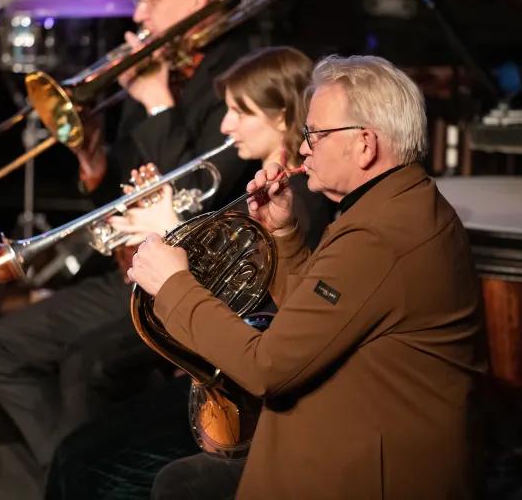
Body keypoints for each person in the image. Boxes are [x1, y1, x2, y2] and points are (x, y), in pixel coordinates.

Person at [129, 54, 488, 499]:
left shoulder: (380, 235)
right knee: (184, 482)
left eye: (314, 135)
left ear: (365, 144)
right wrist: (284, 235)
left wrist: (173, 286)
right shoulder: (398, 202)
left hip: (365, 473)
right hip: (352, 443)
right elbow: (319, 323)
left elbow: (267, 369)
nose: (302, 149)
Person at [0, 0, 260, 478]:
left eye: (149, 0)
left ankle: (83, 480)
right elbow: (123, 202)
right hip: (130, 269)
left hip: (191, 279)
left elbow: (197, 195)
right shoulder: (154, 73)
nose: (138, 15)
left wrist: (155, 102)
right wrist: (93, 159)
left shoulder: (241, 75)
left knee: (86, 364)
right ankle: (74, 479)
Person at [43, 46, 337, 499]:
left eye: (240, 110)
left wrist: (170, 233)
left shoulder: (303, 198)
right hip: (209, 352)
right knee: (74, 449)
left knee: (83, 458)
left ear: (282, 115)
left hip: (242, 379)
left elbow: (269, 309)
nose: (224, 124)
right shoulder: (261, 185)